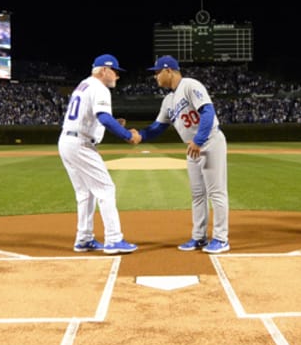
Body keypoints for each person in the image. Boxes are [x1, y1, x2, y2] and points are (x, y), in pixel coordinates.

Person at [137, 55, 230, 253]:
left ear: (168, 70)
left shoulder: (190, 84)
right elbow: (157, 127)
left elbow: (208, 112)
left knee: (216, 192)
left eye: (156, 72)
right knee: (197, 194)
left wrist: (198, 140)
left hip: (210, 141)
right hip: (193, 147)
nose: (155, 77)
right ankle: (199, 237)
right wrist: (138, 135)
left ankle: (221, 238)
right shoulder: (169, 100)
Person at [59, 54, 140, 254]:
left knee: (85, 193)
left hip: (67, 141)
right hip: (81, 144)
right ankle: (113, 239)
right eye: (115, 71)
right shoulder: (99, 87)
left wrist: (111, 125)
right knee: (106, 189)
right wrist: (126, 135)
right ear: (104, 70)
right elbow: (103, 116)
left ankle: (84, 238)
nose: (117, 76)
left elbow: (91, 117)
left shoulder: (84, 85)